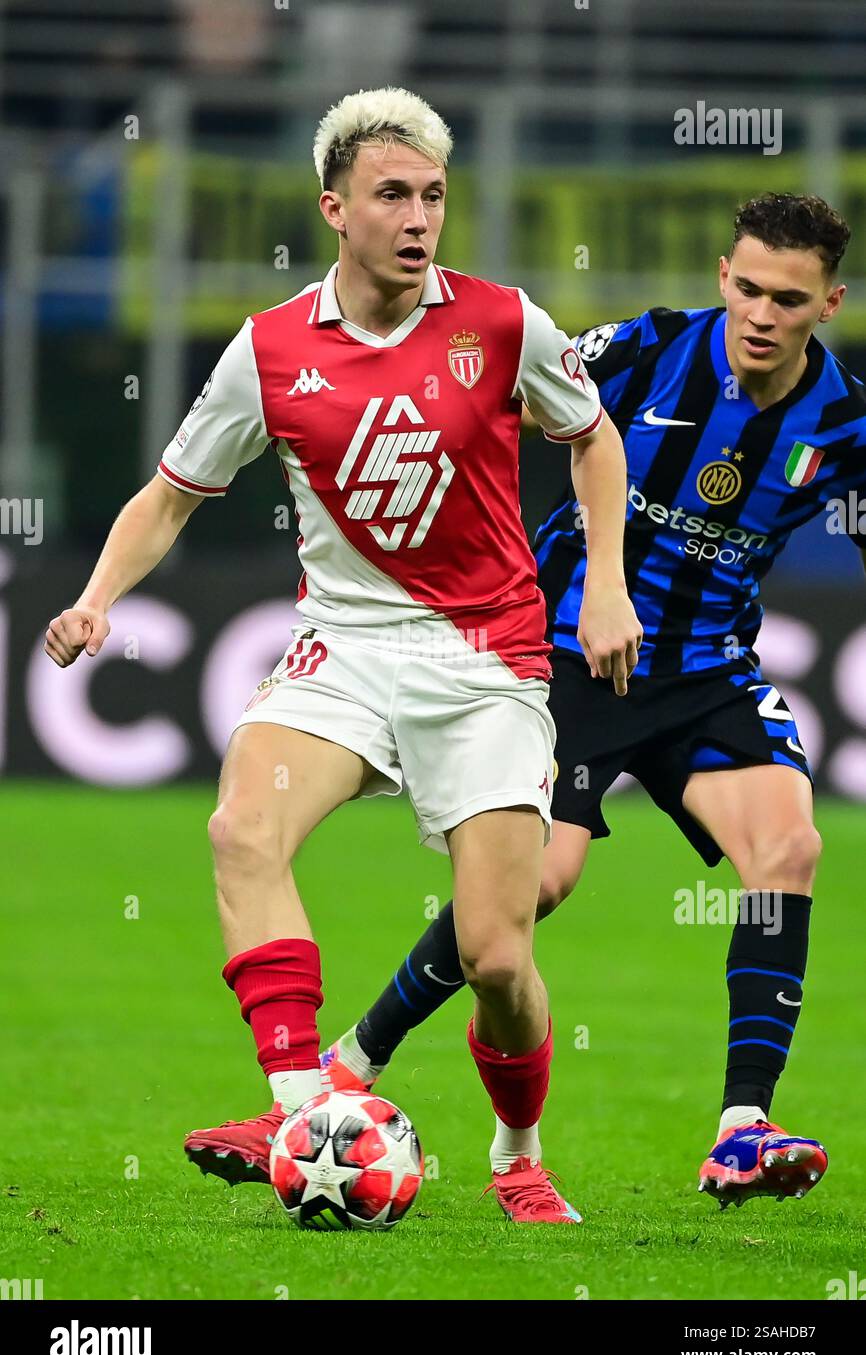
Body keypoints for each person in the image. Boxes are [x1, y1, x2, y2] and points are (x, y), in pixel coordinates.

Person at [43, 87, 640, 1224]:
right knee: (241, 828)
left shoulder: (504, 323)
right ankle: (302, 1103)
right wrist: (95, 600)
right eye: (392, 196)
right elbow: (170, 496)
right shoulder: (269, 350)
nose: (418, 219)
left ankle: (517, 1152)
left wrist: (603, 583)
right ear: (333, 208)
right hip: (346, 648)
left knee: (495, 956)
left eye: (433, 197)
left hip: (485, 658)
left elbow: (593, 439)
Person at [322, 192, 866, 1210]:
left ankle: (741, 1130)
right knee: (533, 889)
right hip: (568, 655)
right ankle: (351, 1062)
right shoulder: (647, 349)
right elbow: (509, 402)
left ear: (828, 304)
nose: (760, 314)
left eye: (788, 300)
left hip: (706, 671)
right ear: (721, 276)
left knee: (788, 848)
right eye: (747, 288)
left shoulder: (843, 424)